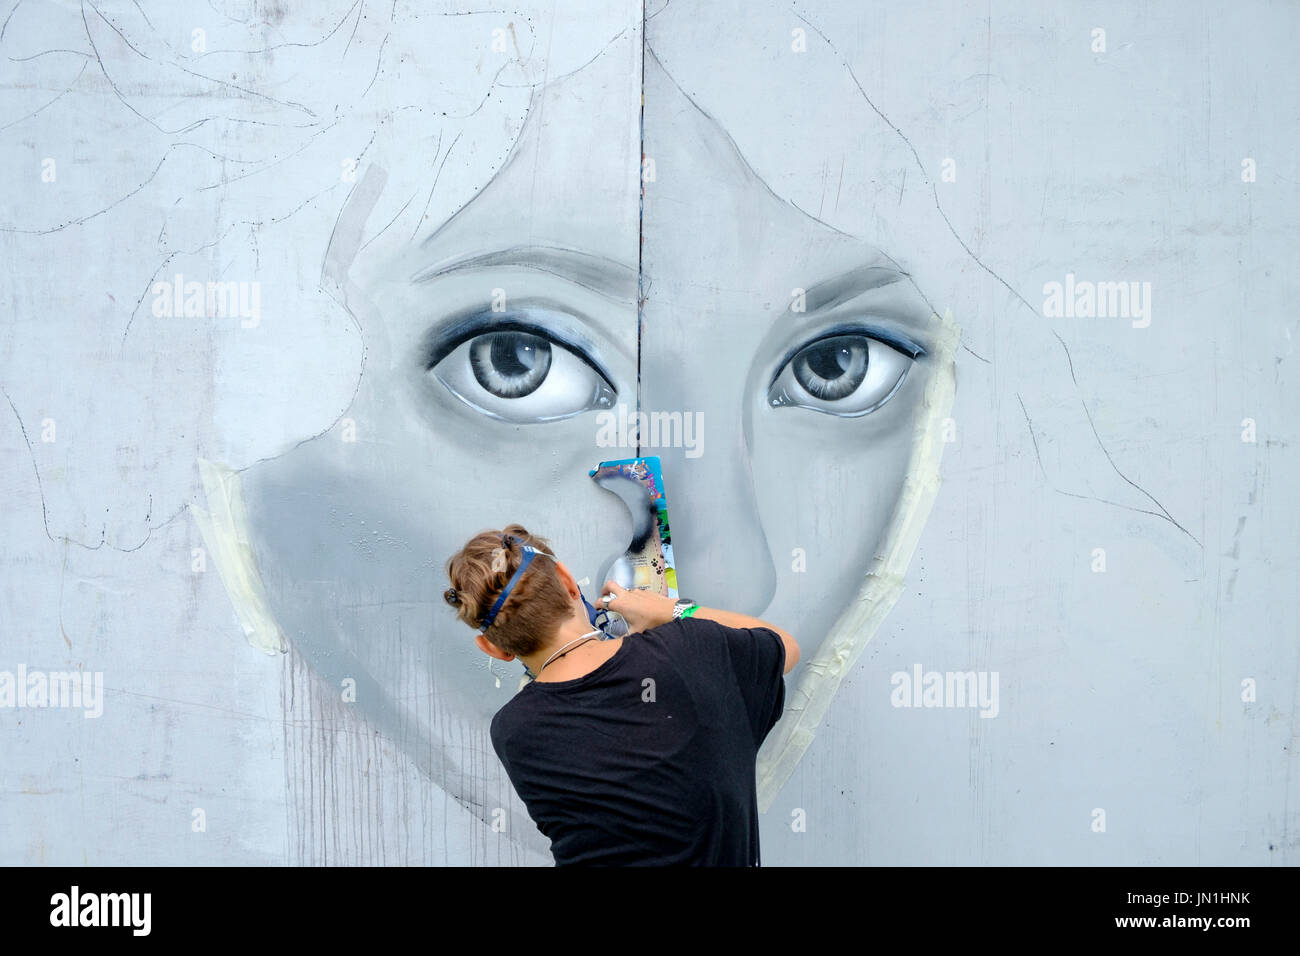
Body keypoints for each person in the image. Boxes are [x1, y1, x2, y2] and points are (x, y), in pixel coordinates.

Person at [443, 523, 801, 866]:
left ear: (492, 648)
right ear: (568, 582)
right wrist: (671, 612)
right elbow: (783, 646)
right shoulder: (690, 648)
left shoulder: (514, 732)